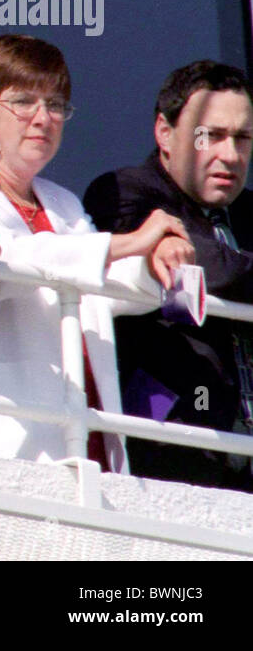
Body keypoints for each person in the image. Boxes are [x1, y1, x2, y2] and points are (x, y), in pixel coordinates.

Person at [0, 35, 190, 471]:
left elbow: (109, 283)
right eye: (24, 102)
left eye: (56, 105)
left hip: (84, 427)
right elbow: (0, 268)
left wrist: (159, 255)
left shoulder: (61, 202)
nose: (43, 118)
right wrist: (130, 241)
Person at [84, 60, 253, 492]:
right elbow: (213, 267)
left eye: (242, 138)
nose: (230, 155)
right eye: (210, 136)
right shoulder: (123, 192)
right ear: (164, 132)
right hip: (172, 457)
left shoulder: (251, 212)